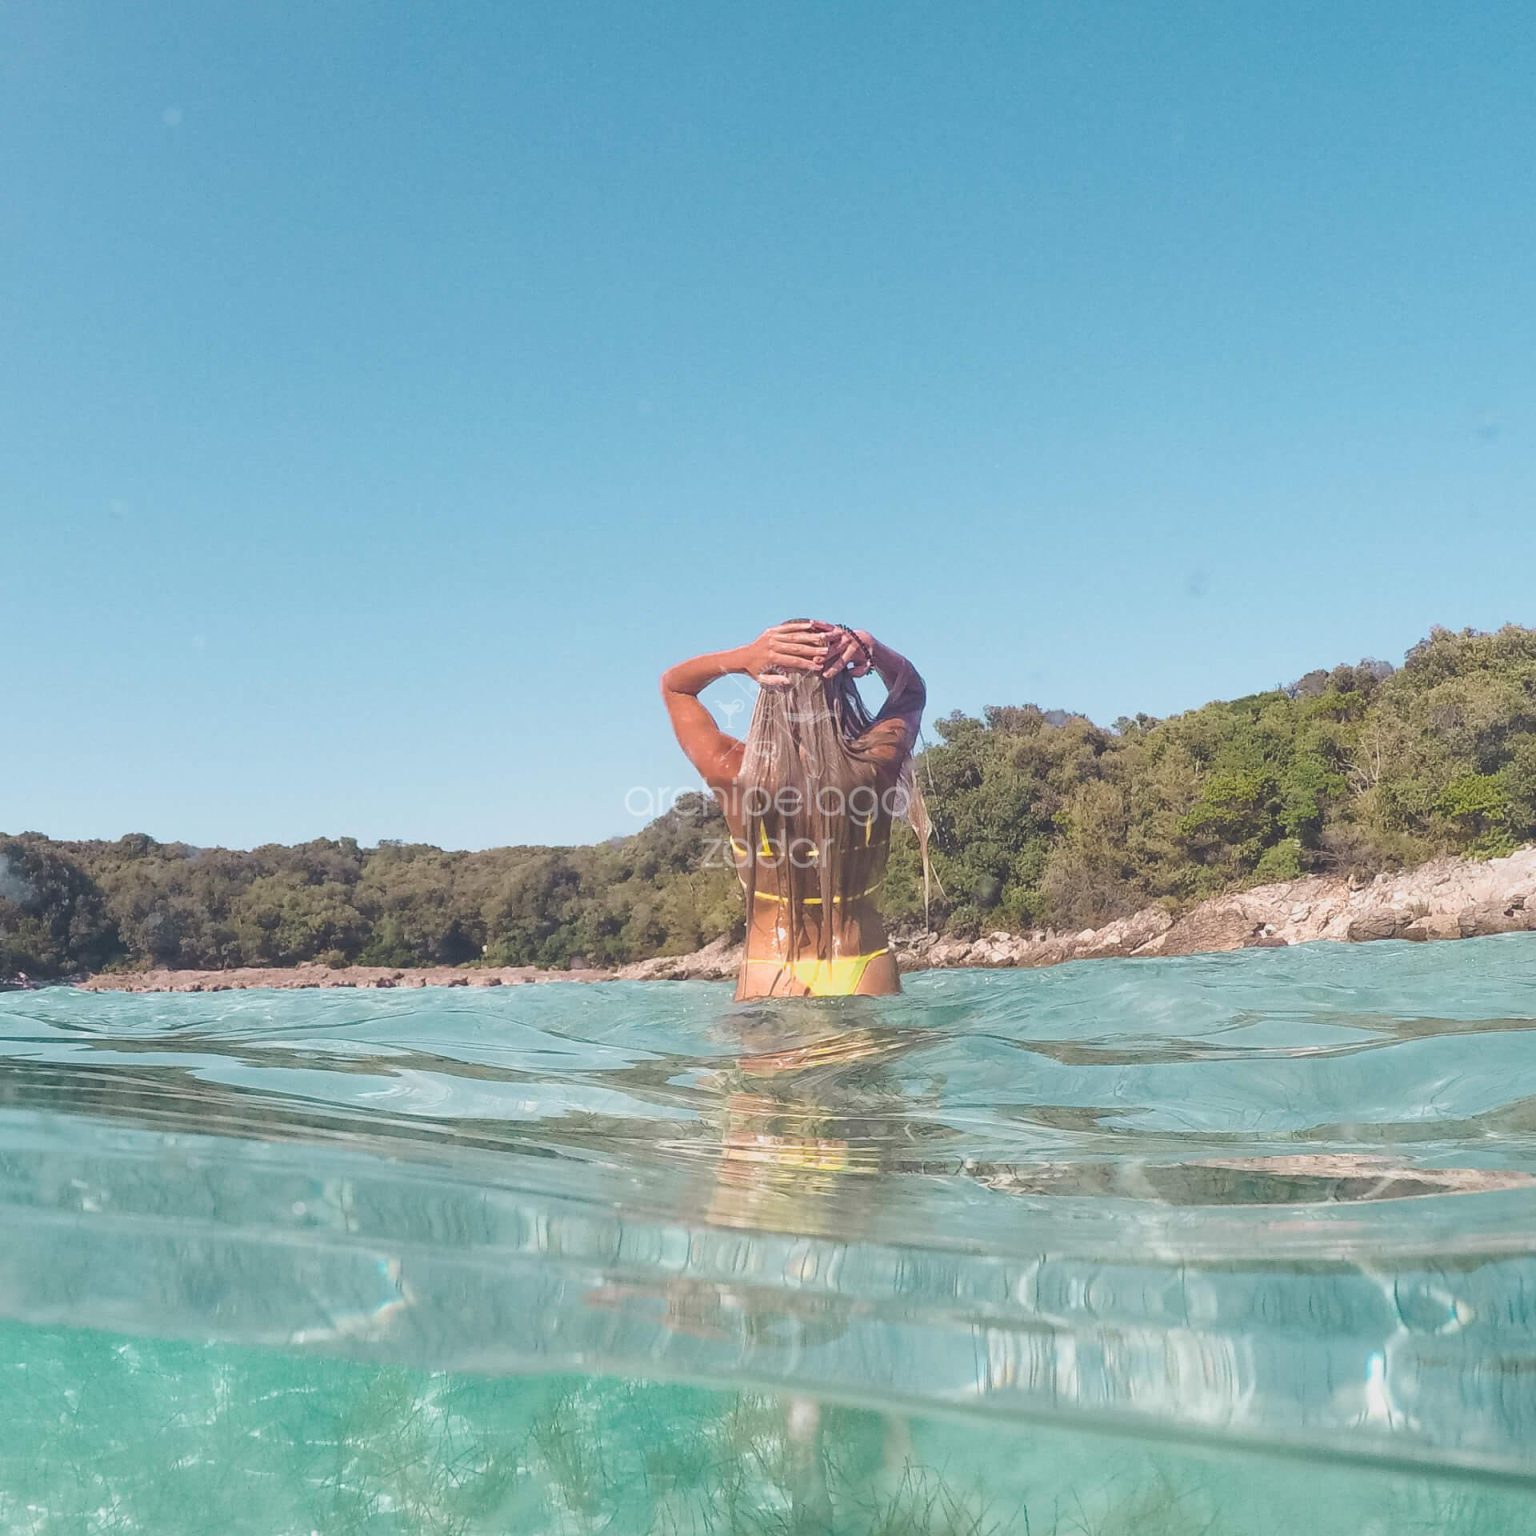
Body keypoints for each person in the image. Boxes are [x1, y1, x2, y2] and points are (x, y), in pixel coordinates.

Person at [660, 619, 929, 999]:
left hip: (770, 971)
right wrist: (874, 650)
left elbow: (675, 687)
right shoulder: (876, 763)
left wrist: (743, 658)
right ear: (843, 688)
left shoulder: (738, 774)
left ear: (767, 689)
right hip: (864, 963)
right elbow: (912, 692)